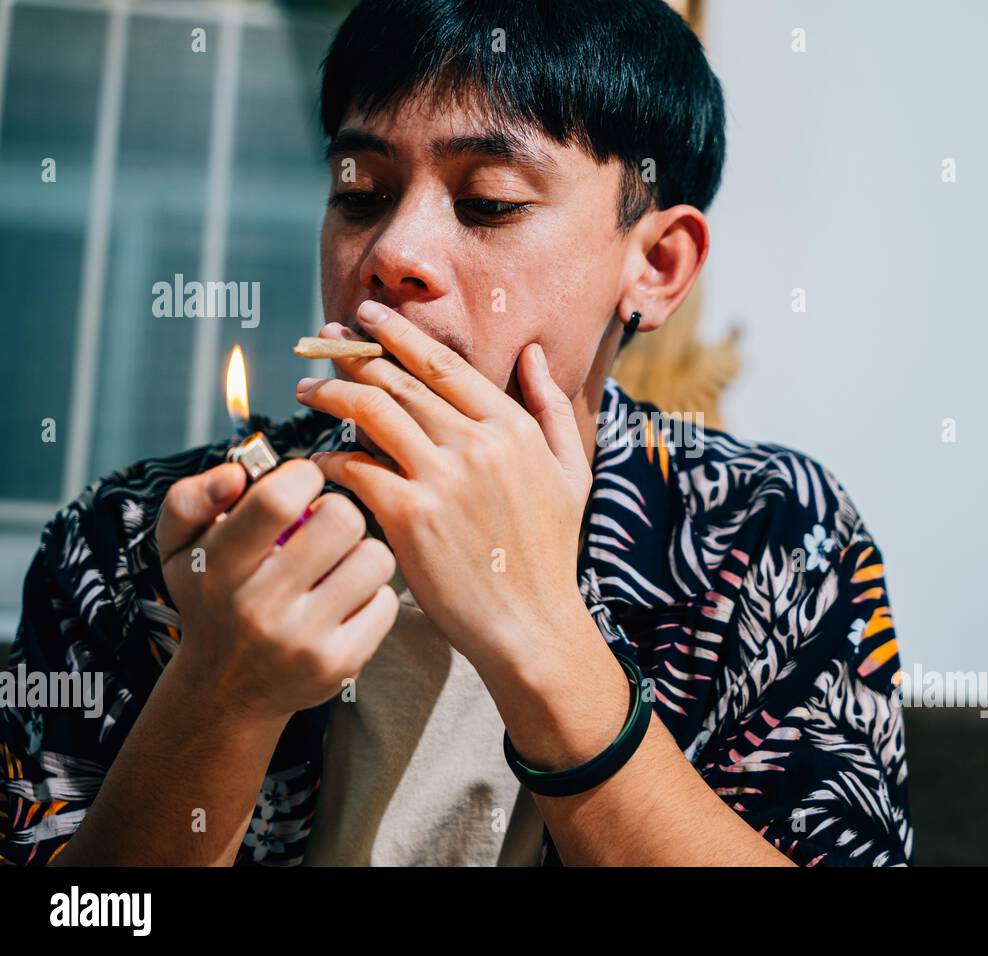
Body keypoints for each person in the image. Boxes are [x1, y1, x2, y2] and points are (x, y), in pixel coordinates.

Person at [0, 0, 910, 867]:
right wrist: (218, 690)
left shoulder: (765, 534)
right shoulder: (133, 537)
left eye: (490, 202)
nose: (393, 254)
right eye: (361, 193)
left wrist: (545, 641)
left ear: (657, 266)